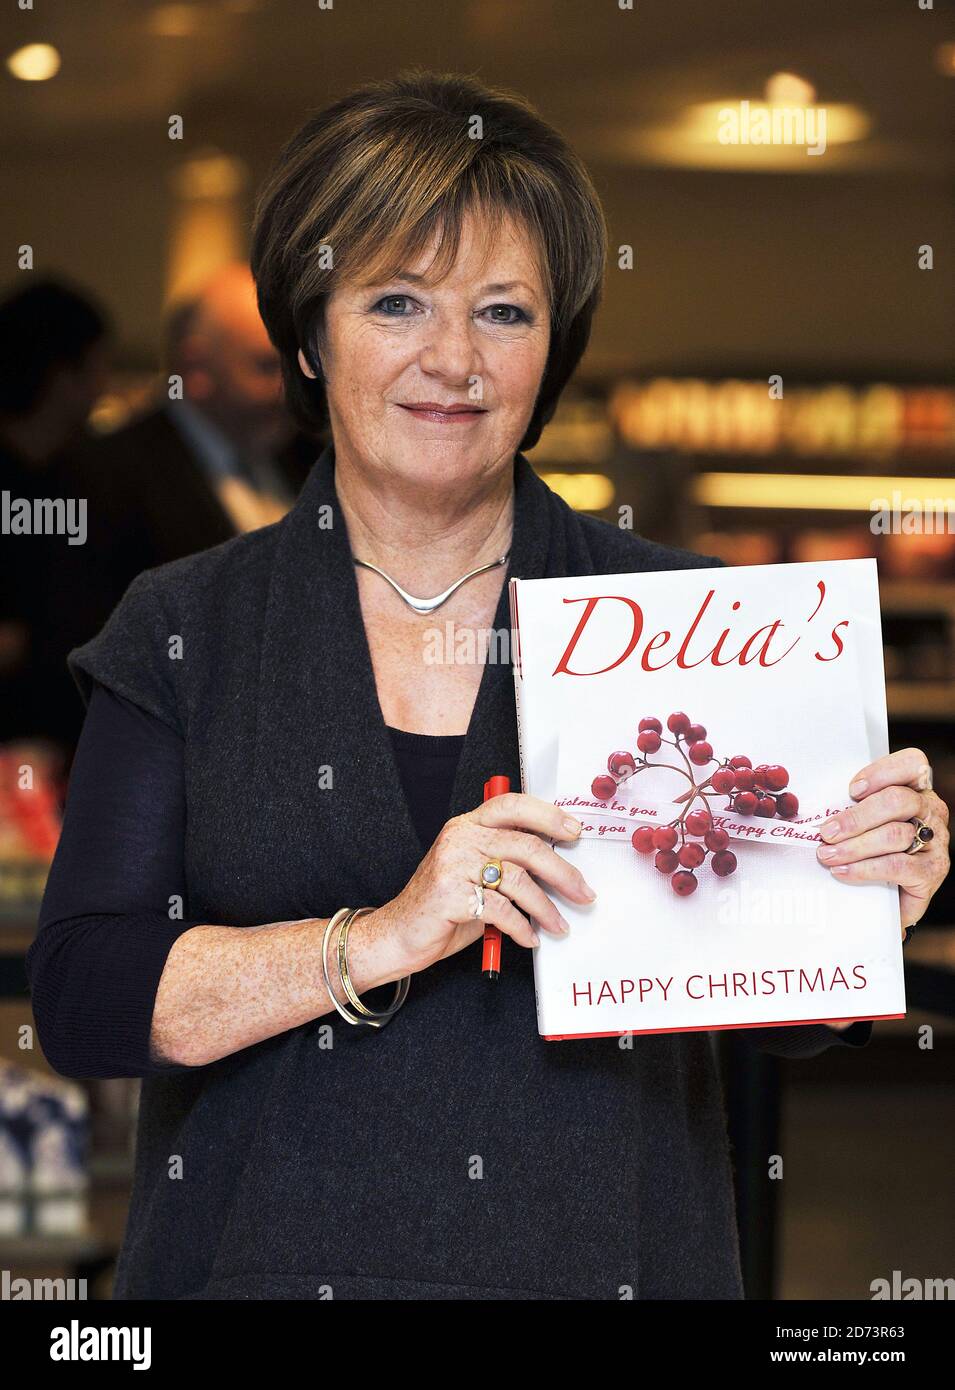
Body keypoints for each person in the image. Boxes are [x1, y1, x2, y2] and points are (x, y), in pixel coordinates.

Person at [26, 71, 951, 1301]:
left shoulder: (690, 621)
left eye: (505, 313)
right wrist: (393, 932)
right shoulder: (189, 624)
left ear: (553, 345)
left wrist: (860, 910)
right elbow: (89, 999)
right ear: (309, 332)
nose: (452, 361)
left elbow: (772, 1006)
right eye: (396, 301)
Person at [0, 277, 112, 746]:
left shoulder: (84, 476)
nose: (104, 388)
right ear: (64, 377)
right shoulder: (80, 478)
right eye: (98, 368)